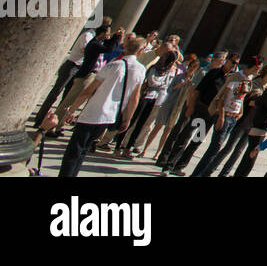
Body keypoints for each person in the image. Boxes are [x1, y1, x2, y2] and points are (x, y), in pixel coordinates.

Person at [58, 35, 146, 177]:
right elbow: (135, 98)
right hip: (109, 117)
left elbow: (87, 91)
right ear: (141, 51)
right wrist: (127, 119)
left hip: (93, 113)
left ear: (125, 47)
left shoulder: (113, 65)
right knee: (84, 150)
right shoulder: (141, 70)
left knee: (74, 152)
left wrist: (72, 110)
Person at [35, 18, 106, 133]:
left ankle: (55, 123)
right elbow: (86, 50)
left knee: (67, 96)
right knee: (56, 92)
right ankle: (40, 119)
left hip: (79, 67)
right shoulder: (88, 35)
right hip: (72, 65)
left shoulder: (95, 39)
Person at [115, 48, 177, 157]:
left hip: (153, 99)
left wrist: (160, 84)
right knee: (131, 121)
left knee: (141, 124)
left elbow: (166, 84)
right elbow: (152, 82)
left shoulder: (167, 72)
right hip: (144, 97)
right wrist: (160, 84)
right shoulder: (154, 68)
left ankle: (128, 147)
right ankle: (118, 145)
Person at [228, 75, 267, 177]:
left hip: (262, 128)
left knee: (251, 154)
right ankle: (240, 174)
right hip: (258, 127)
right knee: (251, 154)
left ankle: (239, 174)